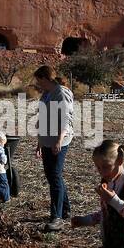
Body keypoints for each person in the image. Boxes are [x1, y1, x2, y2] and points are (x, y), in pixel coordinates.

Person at [33, 66, 74, 232]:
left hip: (59, 140)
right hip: (48, 140)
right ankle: (65, 210)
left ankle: (56, 217)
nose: (37, 83)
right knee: (53, 176)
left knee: (54, 176)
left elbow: (66, 118)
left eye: (38, 80)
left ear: (45, 78)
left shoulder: (61, 92)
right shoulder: (46, 94)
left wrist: (58, 140)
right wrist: (40, 143)